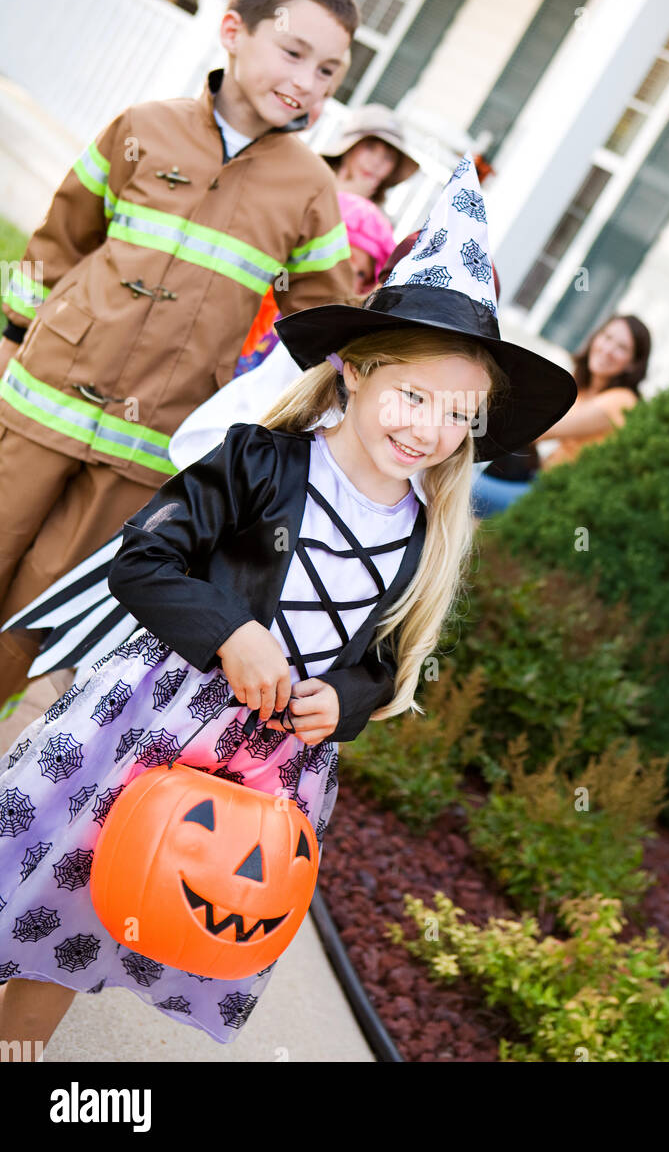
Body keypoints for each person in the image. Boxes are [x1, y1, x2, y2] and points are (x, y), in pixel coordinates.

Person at [0, 155, 576, 1051]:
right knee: (56, 885)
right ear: (354, 371)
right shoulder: (261, 463)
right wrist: (231, 634)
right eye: (412, 393)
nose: (427, 427)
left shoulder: (428, 534)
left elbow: (381, 665)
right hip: (152, 720)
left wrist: (338, 701)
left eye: (457, 413)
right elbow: (146, 562)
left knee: (99, 924)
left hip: (265, 770)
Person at [0, 0, 364, 715]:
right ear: (234, 31)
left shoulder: (310, 191)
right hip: (38, 405)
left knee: (34, 618)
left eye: (329, 72)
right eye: (293, 52)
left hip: (147, 448)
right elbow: (60, 239)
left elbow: (321, 330)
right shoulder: (142, 129)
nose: (307, 81)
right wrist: (10, 334)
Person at [233, 104, 418, 376]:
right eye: (370, 148)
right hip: (267, 297)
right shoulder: (308, 182)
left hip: (320, 323)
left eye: (388, 156)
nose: (377, 162)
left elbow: (364, 290)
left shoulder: (380, 224)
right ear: (350, 146)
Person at [470, 314, 651, 518]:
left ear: (633, 364)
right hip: (538, 476)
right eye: (607, 337)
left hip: (554, 497)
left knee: (459, 486)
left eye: (621, 348)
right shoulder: (582, 387)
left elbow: (541, 429)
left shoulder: (622, 400)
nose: (608, 349)